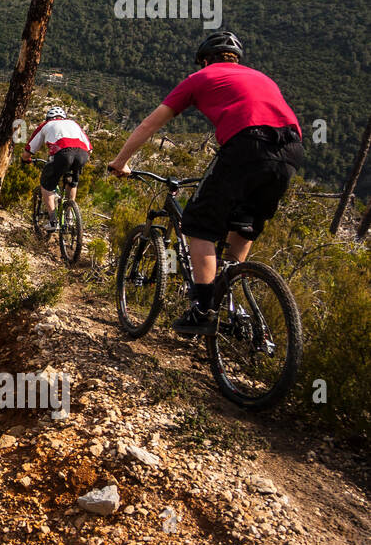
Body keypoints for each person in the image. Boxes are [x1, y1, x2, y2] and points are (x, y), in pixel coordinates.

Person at [107, 31, 303, 335]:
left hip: (247, 145)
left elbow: (149, 124)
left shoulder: (200, 78)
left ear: (205, 60)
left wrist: (120, 161)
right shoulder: (262, 78)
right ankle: (227, 295)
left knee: (198, 224)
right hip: (291, 152)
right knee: (245, 224)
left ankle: (202, 310)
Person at [22, 106, 91, 230]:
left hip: (62, 153)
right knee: (72, 183)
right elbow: (89, 148)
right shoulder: (74, 123)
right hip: (82, 154)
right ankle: (70, 217)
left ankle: (53, 222)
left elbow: (30, 149)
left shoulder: (45, 125)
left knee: (46, 185)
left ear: (48, 118)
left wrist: (25, 159)